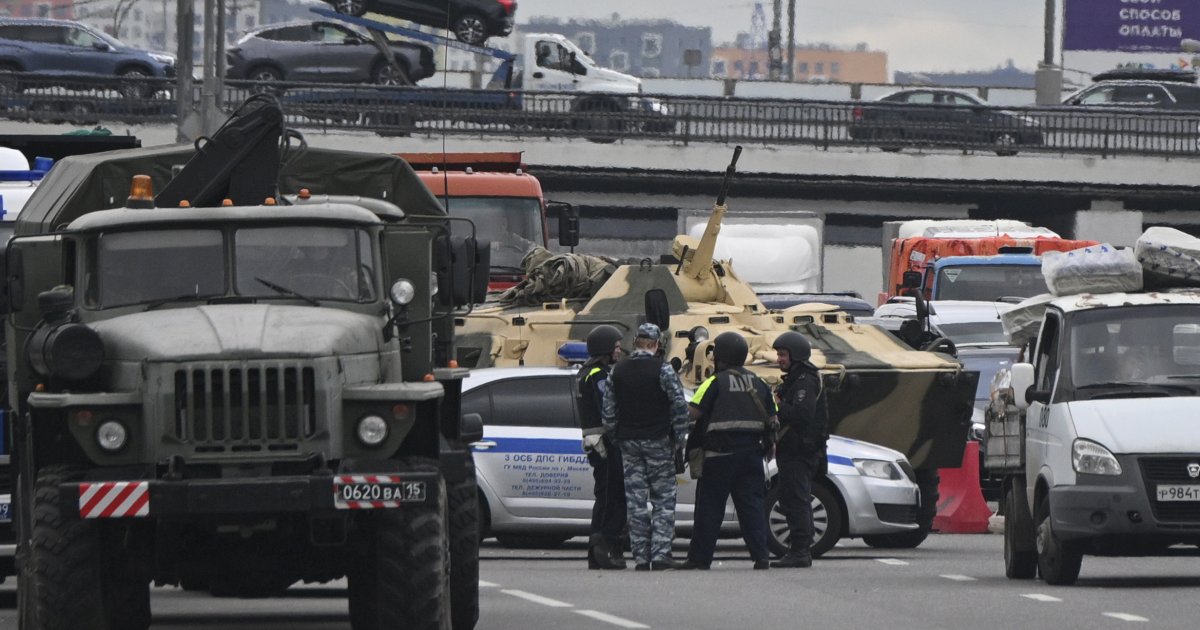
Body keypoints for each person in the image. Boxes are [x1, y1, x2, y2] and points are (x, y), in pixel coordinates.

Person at [683, 332, 777, 571]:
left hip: (719, 458)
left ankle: (700, 559)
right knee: (752, 508)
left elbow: (692, 413)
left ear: (721, 356)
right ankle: (761, 556)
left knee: (709, 509)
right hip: (752, 457)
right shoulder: (760, 383)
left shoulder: (714, 382)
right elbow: (773, 417)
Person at [601, 322, 690, 571]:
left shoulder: (617, 371)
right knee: (663, 499)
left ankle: (640, 557)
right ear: (657, 344)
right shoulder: (662, 370)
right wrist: (680, 437)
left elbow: (608, 413)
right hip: (659, 442)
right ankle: (660, 554)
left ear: (636, 343)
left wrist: (617, 438)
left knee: (636, 502)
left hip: (629, 443)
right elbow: (679, 406)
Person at [770, 331, 828, 569]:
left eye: (783, 354)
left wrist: (778, 406)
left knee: (797, 499)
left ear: (796, 356)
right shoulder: (796, 379)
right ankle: (798, 548)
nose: (779, 359)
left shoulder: (805, 380)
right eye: (778, 354)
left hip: (800, 451)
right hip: (792, 450)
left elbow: (802, 415)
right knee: (790, 498)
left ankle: (800, 551)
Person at [577, 324, 627, 570]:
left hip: (599, 443)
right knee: (610, 499)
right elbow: (607, 410)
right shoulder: (597, 374)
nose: (619, 351)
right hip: (606, 444)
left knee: (607, 497)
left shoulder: (587, 372)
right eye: (616, 347)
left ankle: (598, 552)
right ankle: (603, 550)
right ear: (605, 349)